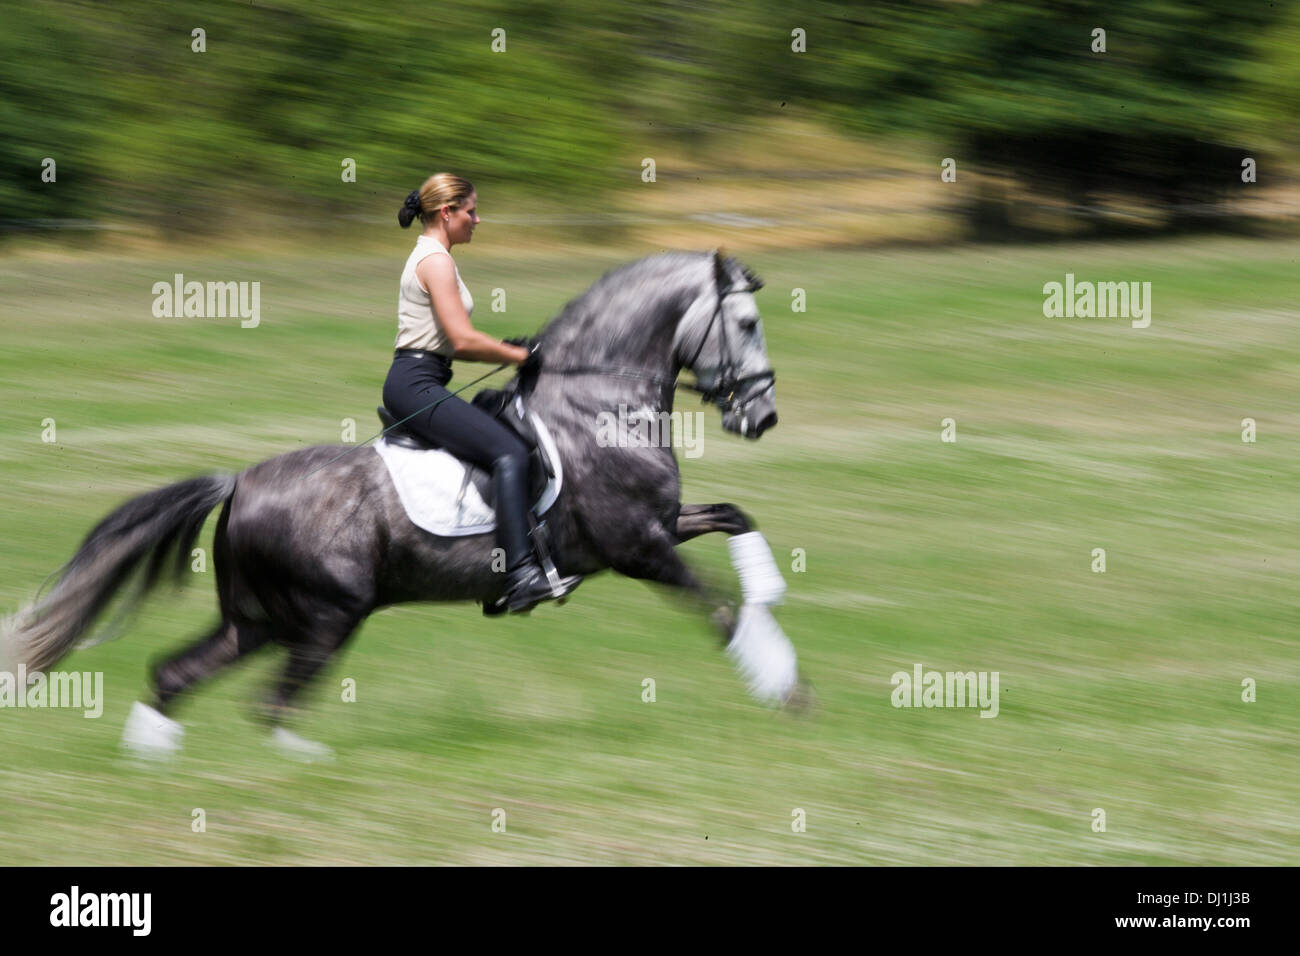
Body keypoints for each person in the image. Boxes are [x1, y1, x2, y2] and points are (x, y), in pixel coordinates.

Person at [382, 173, 581, 613]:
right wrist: (518, 354)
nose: (478, 219)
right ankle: (520, 575)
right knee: (508, 452)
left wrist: (514, 349)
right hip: (415, 386)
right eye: (471, 211)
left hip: (420, 379)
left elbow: (454, 342)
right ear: (447, 212)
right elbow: (464, 340)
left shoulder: (434, 256)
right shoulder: (435, 261)